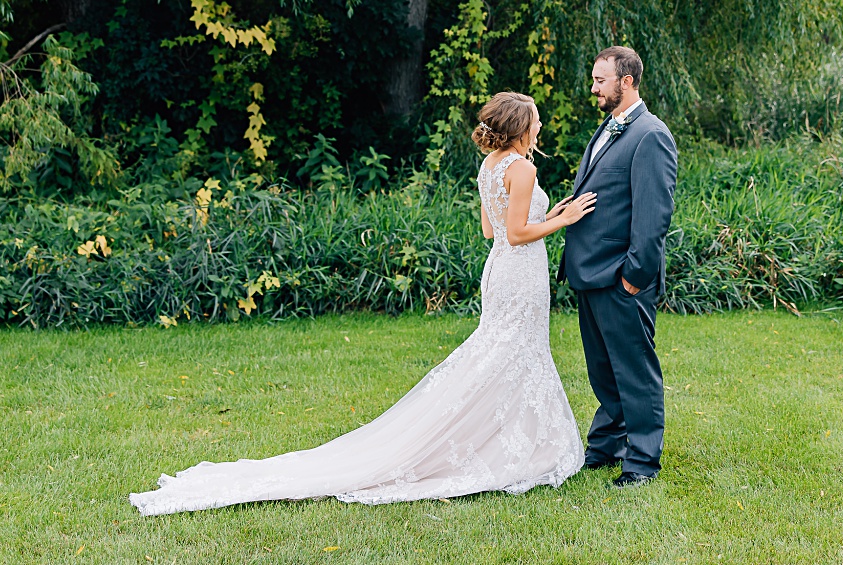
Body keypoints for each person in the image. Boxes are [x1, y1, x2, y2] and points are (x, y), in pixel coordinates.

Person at [129, 92, 597, 514]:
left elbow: (491, 231)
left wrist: (547, 215)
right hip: (520, 275)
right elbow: (516, 234)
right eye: (536, 121)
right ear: (521, 128)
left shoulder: (490, 166)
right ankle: (509, 447)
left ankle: (511, 441)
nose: (541, 128)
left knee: (503, 354)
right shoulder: (524, 167)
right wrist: (567, 218)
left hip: (499, 273)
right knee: (511, 354)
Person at [559, 46, 678, 488]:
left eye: (600, 80)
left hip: (620, 276)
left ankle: (642, 462)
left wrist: (633, 275)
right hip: (590, 271)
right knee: (603, 369)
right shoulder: (609, 128)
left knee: (633, 370)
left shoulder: (650, 134)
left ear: (626, 82)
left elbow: (653, 215)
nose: (593, 88)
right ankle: (608, 445)